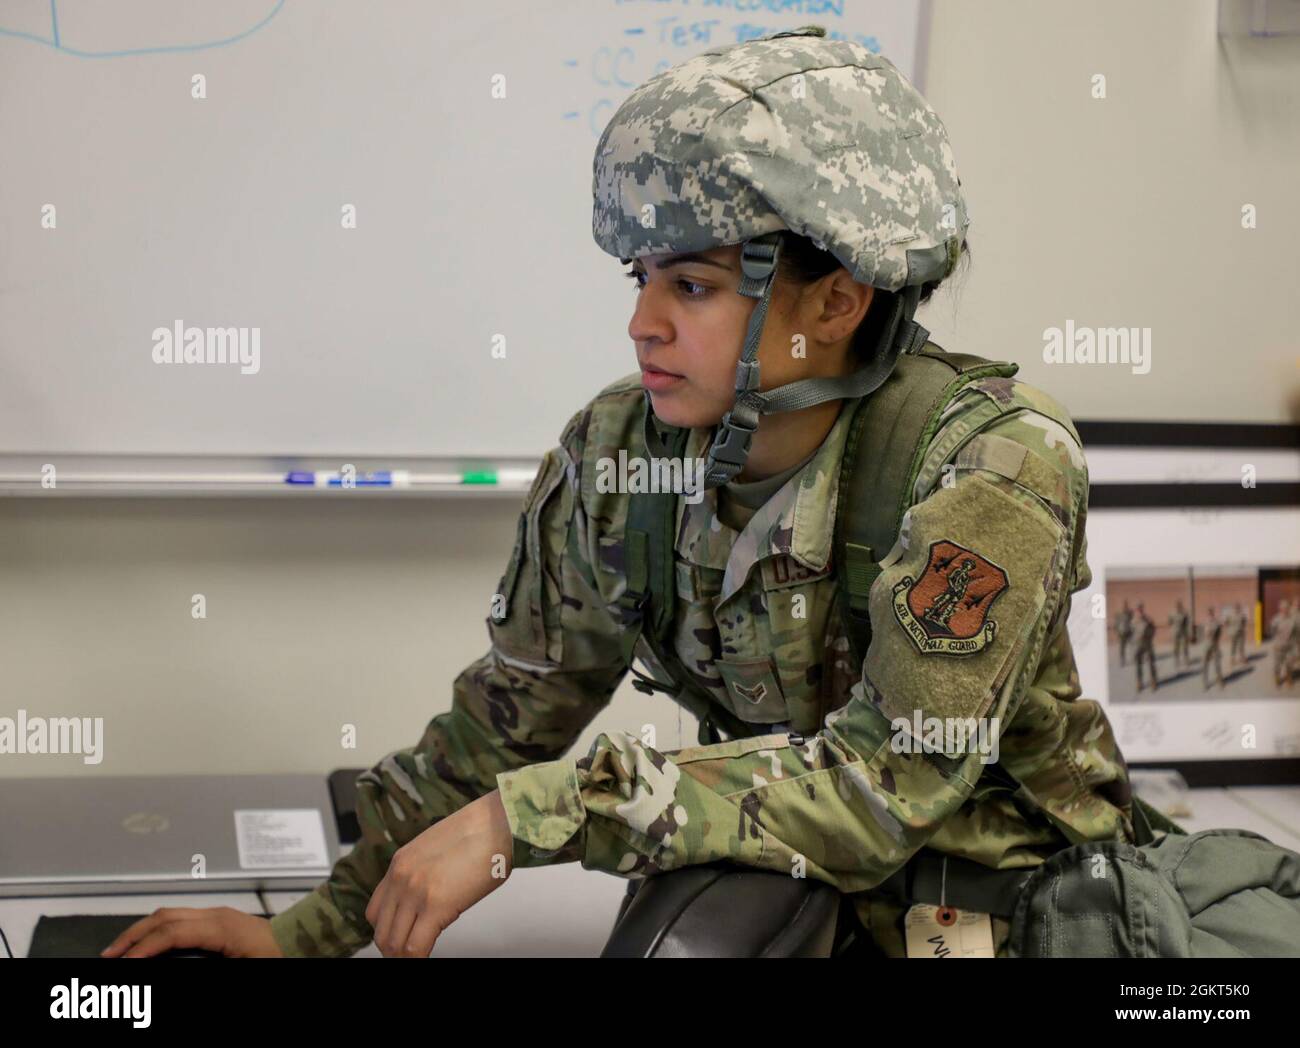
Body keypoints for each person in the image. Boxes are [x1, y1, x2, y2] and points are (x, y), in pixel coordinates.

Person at [102, 26, 1135, 961]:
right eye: (638, 278)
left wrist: (534, 817)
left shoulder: (989, 467)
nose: (642, 322)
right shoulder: (622, 456)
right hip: (782, 889)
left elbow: (881, 788)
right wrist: (303, 934)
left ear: (834, 300)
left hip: (1001, 912)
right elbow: (506, 721)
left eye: (689, 285)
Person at [1133, 602, 1158, 693]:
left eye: (1140, 608)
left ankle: (1153, 681)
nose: (1139, 610)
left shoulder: (1148, 620)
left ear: (1143, 609)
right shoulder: (1133, 620)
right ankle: (1139, 682)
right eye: (1138, 609)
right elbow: (1132, 633)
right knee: (1138, 665)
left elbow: (1153, 630)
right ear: (1136, 610)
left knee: (1151, 664)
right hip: (1138, 645)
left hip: (1147, 644)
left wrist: (1148, 636)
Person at [1202, 606, 1225, 690]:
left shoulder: (1217, 623)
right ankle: (1205, 683)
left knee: (1217, 664)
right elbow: (1203, 635)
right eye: (1208, 613)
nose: (1210, 614)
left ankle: (1219, 681)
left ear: (1213, 613)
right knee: (1205, 665)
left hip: (1215, 645)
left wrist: (1217, 643)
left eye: (1211, 612)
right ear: (1207, 613)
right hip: (1206, 646)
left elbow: (1219, 634)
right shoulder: (1205, 622)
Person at [1169, 598, 1191, 671]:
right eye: (1177, 605)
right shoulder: (1172, 613)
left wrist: (1188, 632)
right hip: (1175, 633)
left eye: (1179, 605)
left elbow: (1188, 623)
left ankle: (1186, 660)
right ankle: (1177, 661)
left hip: (1183, 632)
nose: (1178, 606)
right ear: (1175, 606)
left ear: (1181, 605)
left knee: (1185, 647)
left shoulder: (1185, 613)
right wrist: (1172, 630)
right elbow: (1170, 622)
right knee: (1176, 647)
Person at [1228, 601, 1249, 668]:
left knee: (1241, 646)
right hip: (1233, 633)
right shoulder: (1230, 615)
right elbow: (1226, 623)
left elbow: (1244, 622)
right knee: (1233, 647)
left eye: (1238, 607)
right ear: (1233, 608)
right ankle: (1232, 659)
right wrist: (1229, 630)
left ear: (1239, 608)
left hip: (1241, 633)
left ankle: (1242, 658)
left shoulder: (1242, 615)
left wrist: (1243, 629)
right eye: (1235, 607)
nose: (1237, 608)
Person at [1114, 600, 1135, 666]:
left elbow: (1132, 620)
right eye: (1123, 605)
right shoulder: (1118, 614)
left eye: (1126, 605)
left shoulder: (1130, 613)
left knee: (1132, 645)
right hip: (1122, 633)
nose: (1124, 606)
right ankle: (1122, 660)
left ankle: (1134, 658)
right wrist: (1117, 632)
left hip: (1129, 632)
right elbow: (1116, 624)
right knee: (1122, 647)